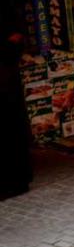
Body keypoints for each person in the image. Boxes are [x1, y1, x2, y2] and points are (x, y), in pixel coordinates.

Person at [0, 32, 32, 198]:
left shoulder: (8, 68)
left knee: (12, 142)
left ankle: (15, 183)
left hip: (9, 105)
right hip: (10, 105)